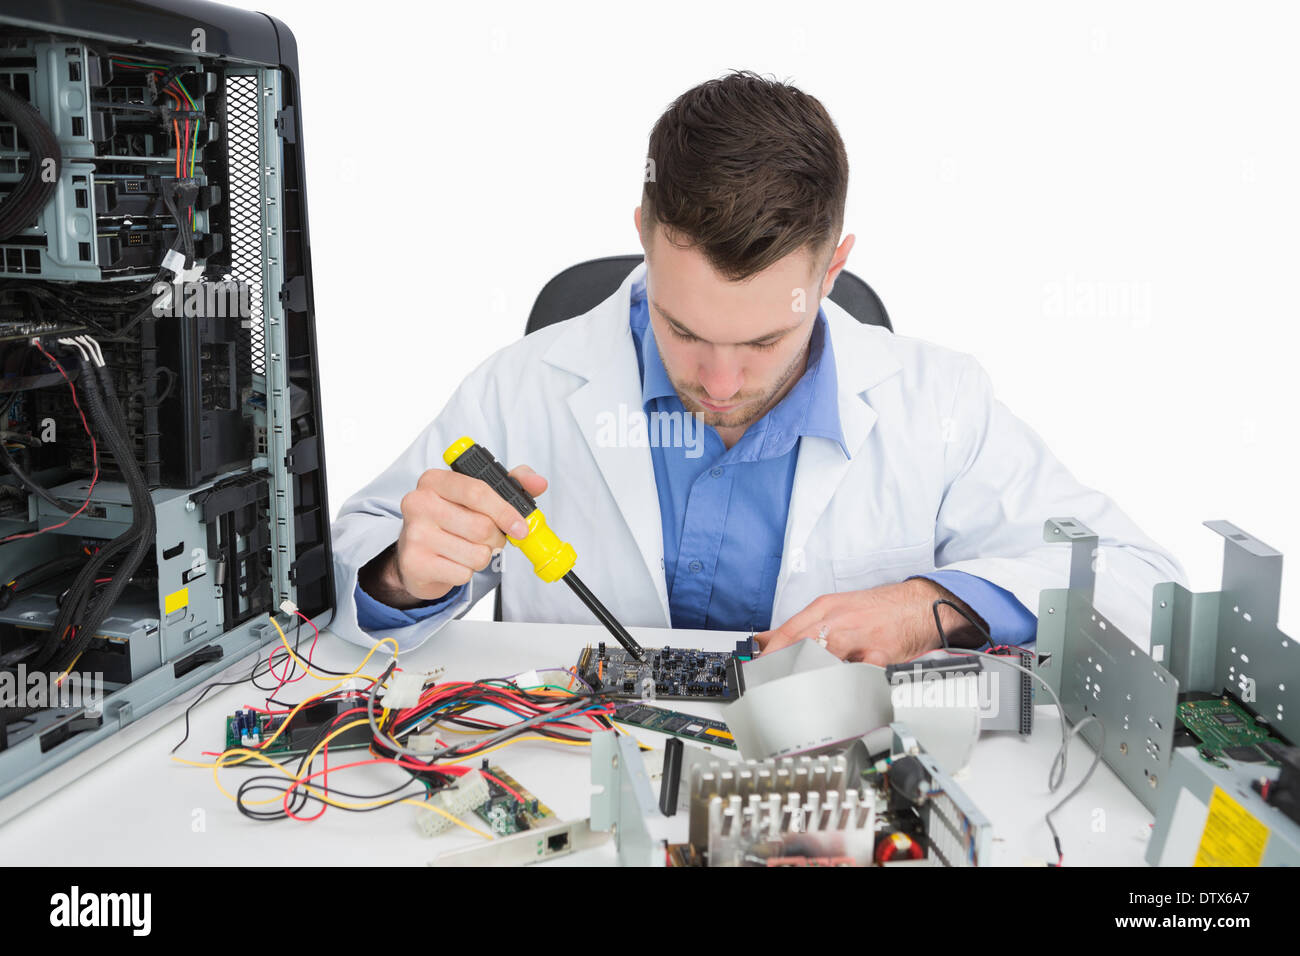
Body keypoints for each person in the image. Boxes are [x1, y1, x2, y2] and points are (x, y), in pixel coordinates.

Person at [330, 70, 1185, 664]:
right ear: (642, 234)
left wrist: (936, 604)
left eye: (764, 342)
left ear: (833, 269)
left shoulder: (940, 402)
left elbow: (1145, 586)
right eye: (682, 328)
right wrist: (403, 576)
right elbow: (338, 583)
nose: (721, 383)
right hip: (579, 780)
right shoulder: (520, 389)